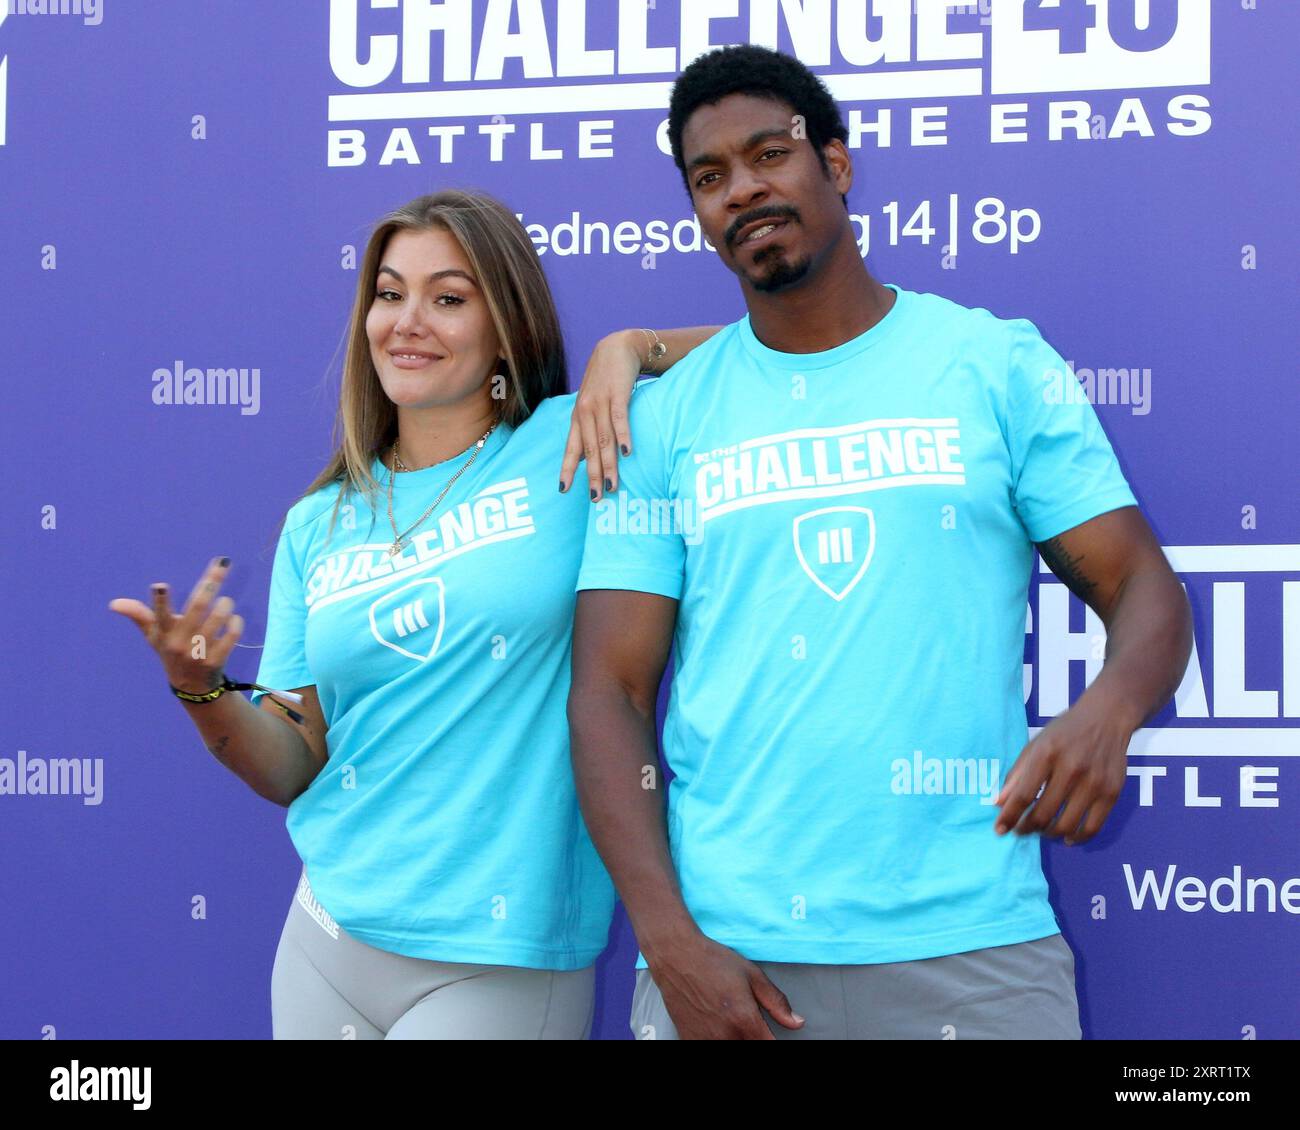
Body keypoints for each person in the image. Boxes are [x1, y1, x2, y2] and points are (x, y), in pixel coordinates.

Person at [565, 46, 1194, 1041]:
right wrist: (668, 938)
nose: (744, 189)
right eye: (709, 176)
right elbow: (610, 689)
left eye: (769, 154)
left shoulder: (990, 365)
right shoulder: (663, 416)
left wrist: (1108, 708)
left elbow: (1141, 585)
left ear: (837, 165)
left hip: (974, 945)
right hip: (729, 956)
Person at [109, 189, 720, 1039]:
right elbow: (292, 761)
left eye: (449, 297)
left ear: (506, 325)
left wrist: (632, 350)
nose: (407, 321)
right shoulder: (318, 520)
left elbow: (778, 344)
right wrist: (201, 688)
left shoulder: (573, 439)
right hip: (328, 937)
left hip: (500, 954)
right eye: (390, 294)